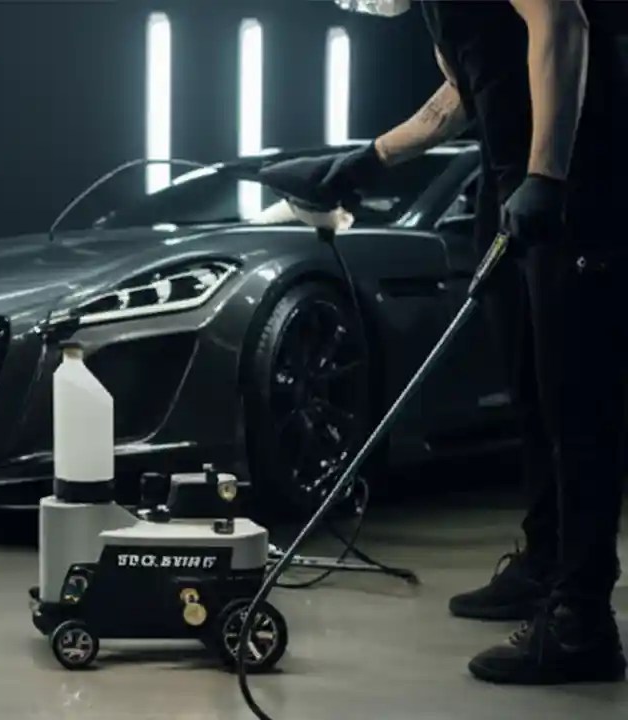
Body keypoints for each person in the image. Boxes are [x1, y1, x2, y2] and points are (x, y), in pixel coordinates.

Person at [287, 0, 628, 685]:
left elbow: (561, 24)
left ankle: (581, 619)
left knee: (575, 401)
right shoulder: (439, 8)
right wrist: (363, 160)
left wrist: (547, 177)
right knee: (529, 389)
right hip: (510, 183)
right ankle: (544, 562)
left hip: (574, 186)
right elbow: (462, 96)